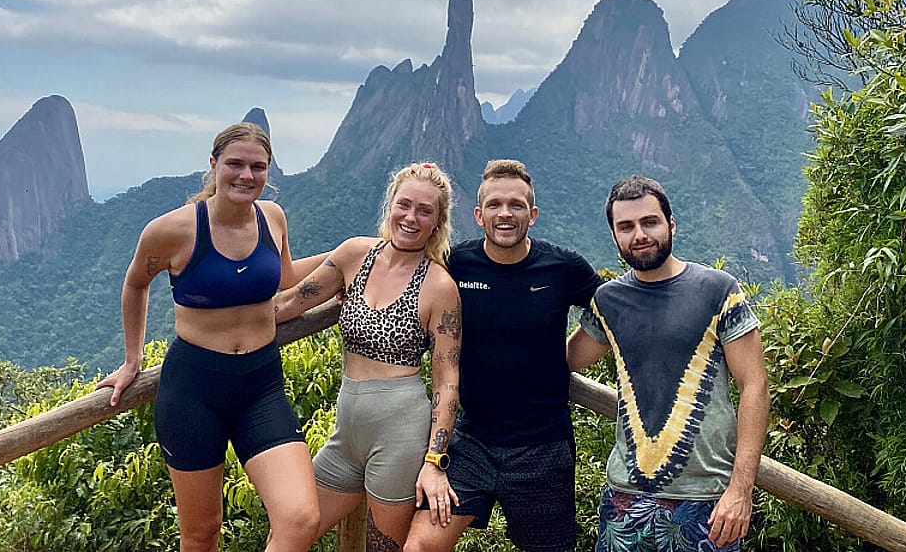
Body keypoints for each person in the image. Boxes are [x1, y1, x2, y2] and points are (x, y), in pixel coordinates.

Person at [97, 122, 320, 552]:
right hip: (193, 391)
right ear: (214, 165)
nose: (246, 175)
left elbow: (286, 276)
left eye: (258, 167)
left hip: (261, 386)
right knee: (201, 534)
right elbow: (135, 283)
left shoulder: (272, 218)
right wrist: (132, 360)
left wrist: (350, 256)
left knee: (300, 518)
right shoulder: (173, 230)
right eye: (235, 164)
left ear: (268, 171)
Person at [406, 159, 604, 552]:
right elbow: (401, 276)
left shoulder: (561, 267)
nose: (505, 214)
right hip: (470, 441)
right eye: (494, 205)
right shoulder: (456, 264)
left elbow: (615, 310)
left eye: (516, 205)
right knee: (420, 546)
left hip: (543, 447)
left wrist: (568, 357)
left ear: (532, 214)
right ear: (479, 215)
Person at [566, 175, 770, 552]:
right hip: (624, 499)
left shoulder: (718, 290)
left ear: (671, 224)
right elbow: (563, 361)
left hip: (707, 501)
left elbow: (754, 386)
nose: (640, 235)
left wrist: (740, 490)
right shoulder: (609, 300)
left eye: (650, 222)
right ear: (614, 235)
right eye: (626, 226)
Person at [273, 162, 462, 552]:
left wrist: (434, 459)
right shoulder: (355, 254)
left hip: (400, 436)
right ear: (390, 205)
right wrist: (220, 323)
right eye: (404, 205)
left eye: (424, 211)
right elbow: (290, 303)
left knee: (383, 548)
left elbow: (446, 381)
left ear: (437, 223)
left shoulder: (439, 286)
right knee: (289, 533)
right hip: (346, 436)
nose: (410, 217)